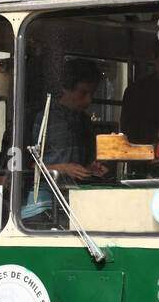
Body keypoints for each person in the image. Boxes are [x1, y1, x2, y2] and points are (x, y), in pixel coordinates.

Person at [22, 58, 109, 223]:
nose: (88, 100)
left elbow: (80, 163)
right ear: (65, 89)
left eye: (92, 93)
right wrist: (62, 168)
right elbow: (26, 165)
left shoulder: (84, 121)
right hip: (40, 205)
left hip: (73, 203)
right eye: (83, 93)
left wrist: (91, 168)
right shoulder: (41, 117)